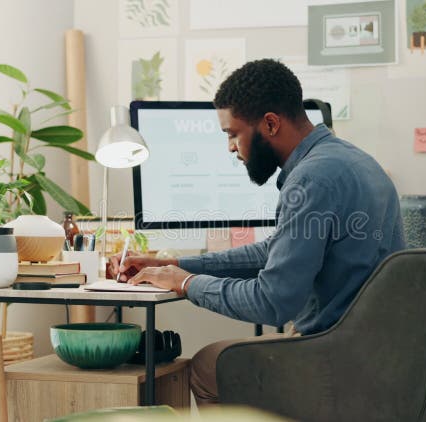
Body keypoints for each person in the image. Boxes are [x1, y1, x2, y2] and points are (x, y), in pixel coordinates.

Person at [111, 58, 405, 405]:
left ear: (270, 124)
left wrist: (186, 284)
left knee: (209, 365)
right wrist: (177, 264)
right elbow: (274, 252)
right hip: (380, 355)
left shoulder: (310, 180)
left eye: (232, 134)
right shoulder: (353, 161)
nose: (230, 148)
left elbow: (273, 303)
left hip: (337, 357)